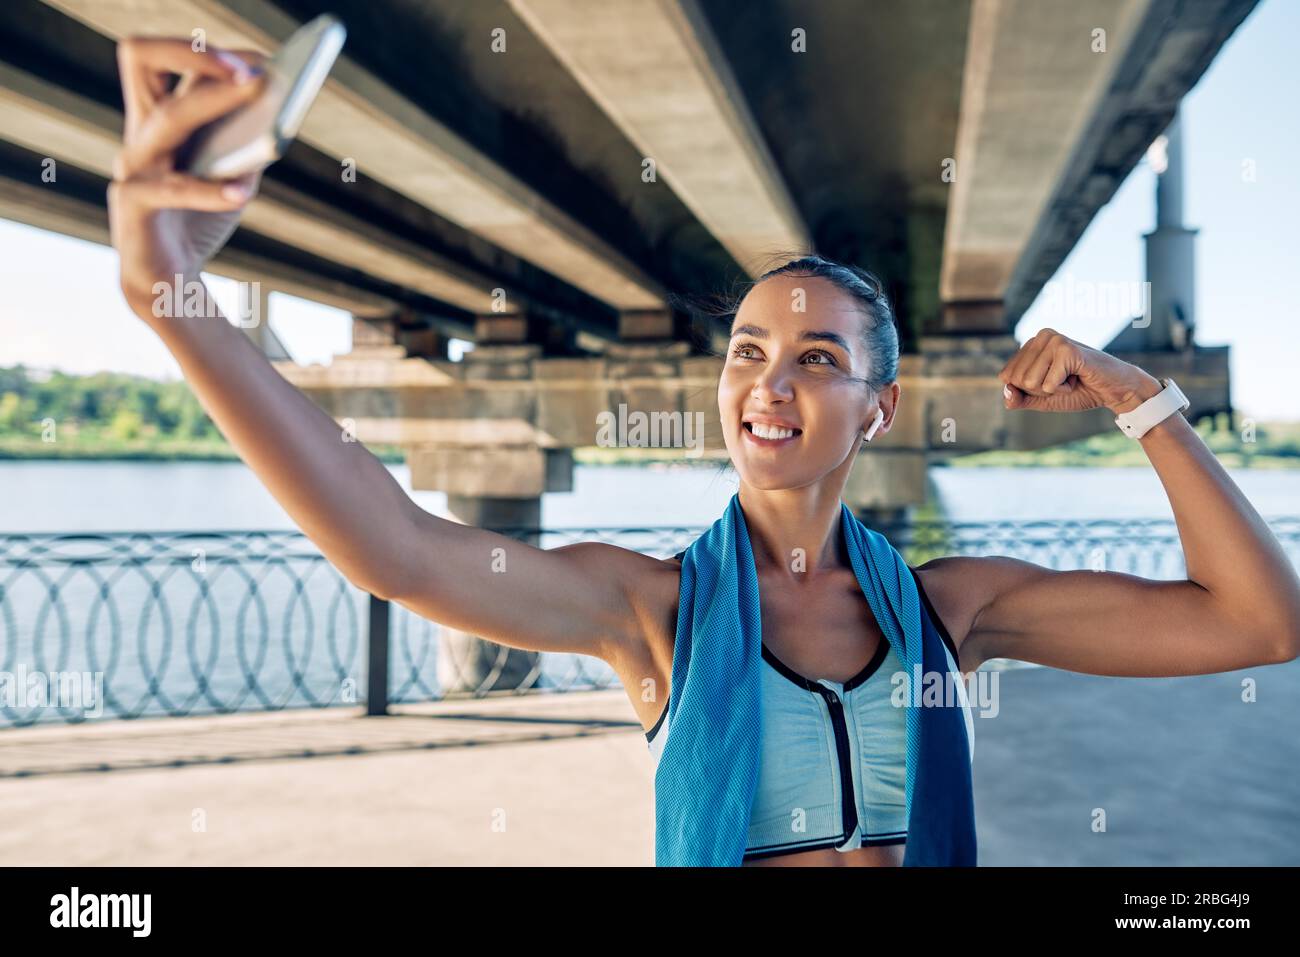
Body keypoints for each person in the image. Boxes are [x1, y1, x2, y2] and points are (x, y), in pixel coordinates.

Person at [107, 39, 1300, 867]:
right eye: (746, 351)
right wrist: (171, 293)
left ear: (879, 413)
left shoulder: (953, 610)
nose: (770, 383)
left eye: (818, 361)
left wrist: (1148, 406)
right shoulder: (649, 609)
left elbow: (1255, 627)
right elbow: (396, 549)